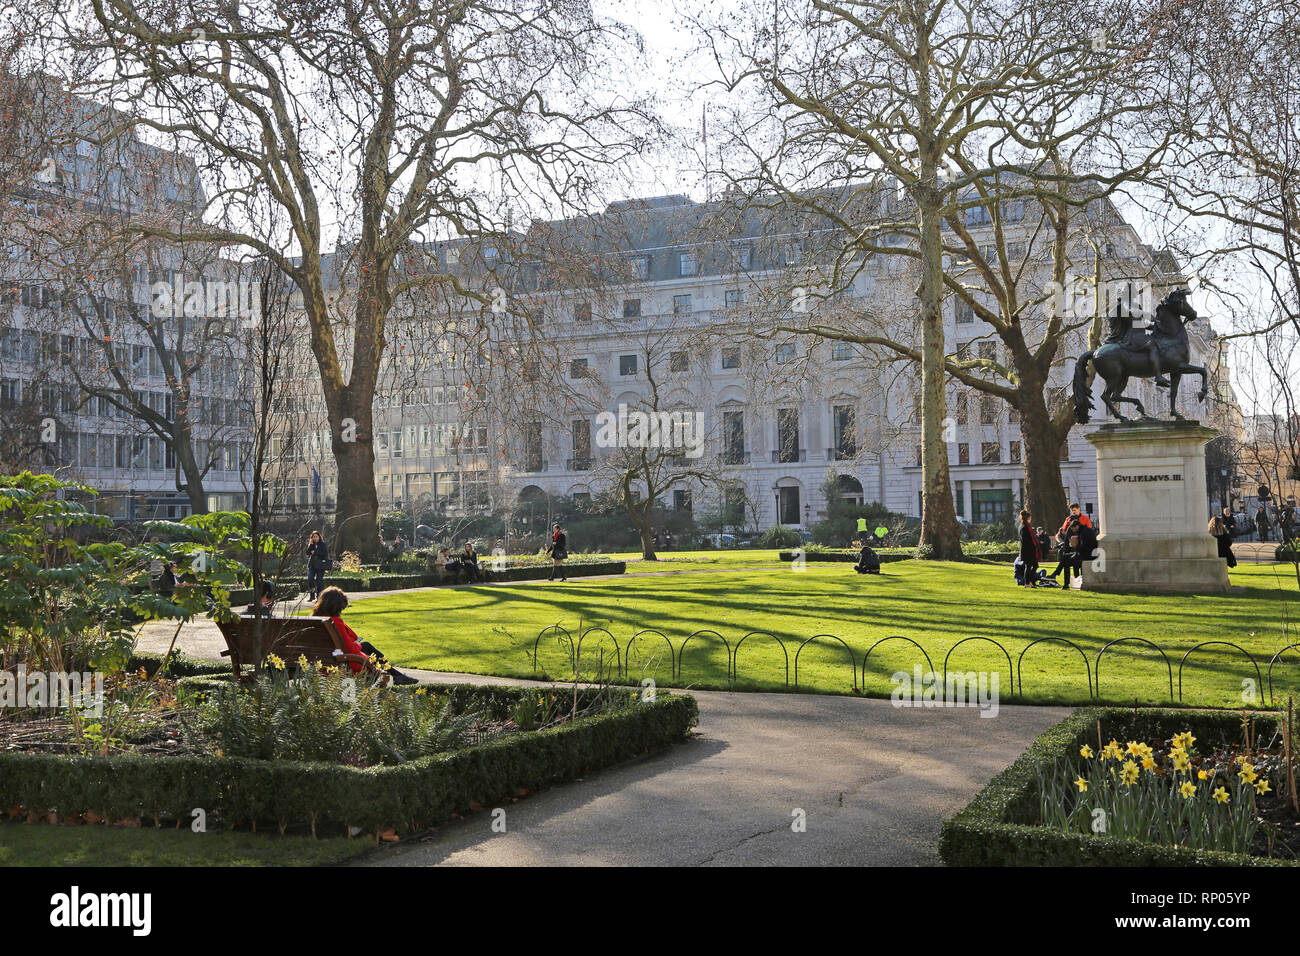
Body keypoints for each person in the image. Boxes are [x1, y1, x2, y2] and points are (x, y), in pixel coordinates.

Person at [312, 586, 418, 685]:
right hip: (342, 661)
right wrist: (357, 644)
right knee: (366, 647)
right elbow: (350, 649)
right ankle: (396, 675)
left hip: (323, 659)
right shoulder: (333, 622)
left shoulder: (315, 619)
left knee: (366, 646)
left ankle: (397, 675)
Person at [306, 530, 330, 601]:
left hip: (320, 565)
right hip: (312, 565)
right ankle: (312, 595)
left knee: (319, 581)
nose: (315, 538)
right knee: (310, 579)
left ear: (319, 537)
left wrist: (315, 552)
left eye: (316, 536)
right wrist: (310, 545)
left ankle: (319, 597)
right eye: (313, 537)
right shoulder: (312, 545)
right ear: (312, 538)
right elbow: (307, 552)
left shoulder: (323, 544)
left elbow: (325, 554)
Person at [1018, 510, 1039, 587]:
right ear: (1028, 518)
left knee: (1035, 566)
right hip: (1028, 551)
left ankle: (1031, 582)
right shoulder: (1024, 527)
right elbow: (1025, 540)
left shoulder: (1025, 526)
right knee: (1029, 566)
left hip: (1029, 550)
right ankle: (1027, 583)